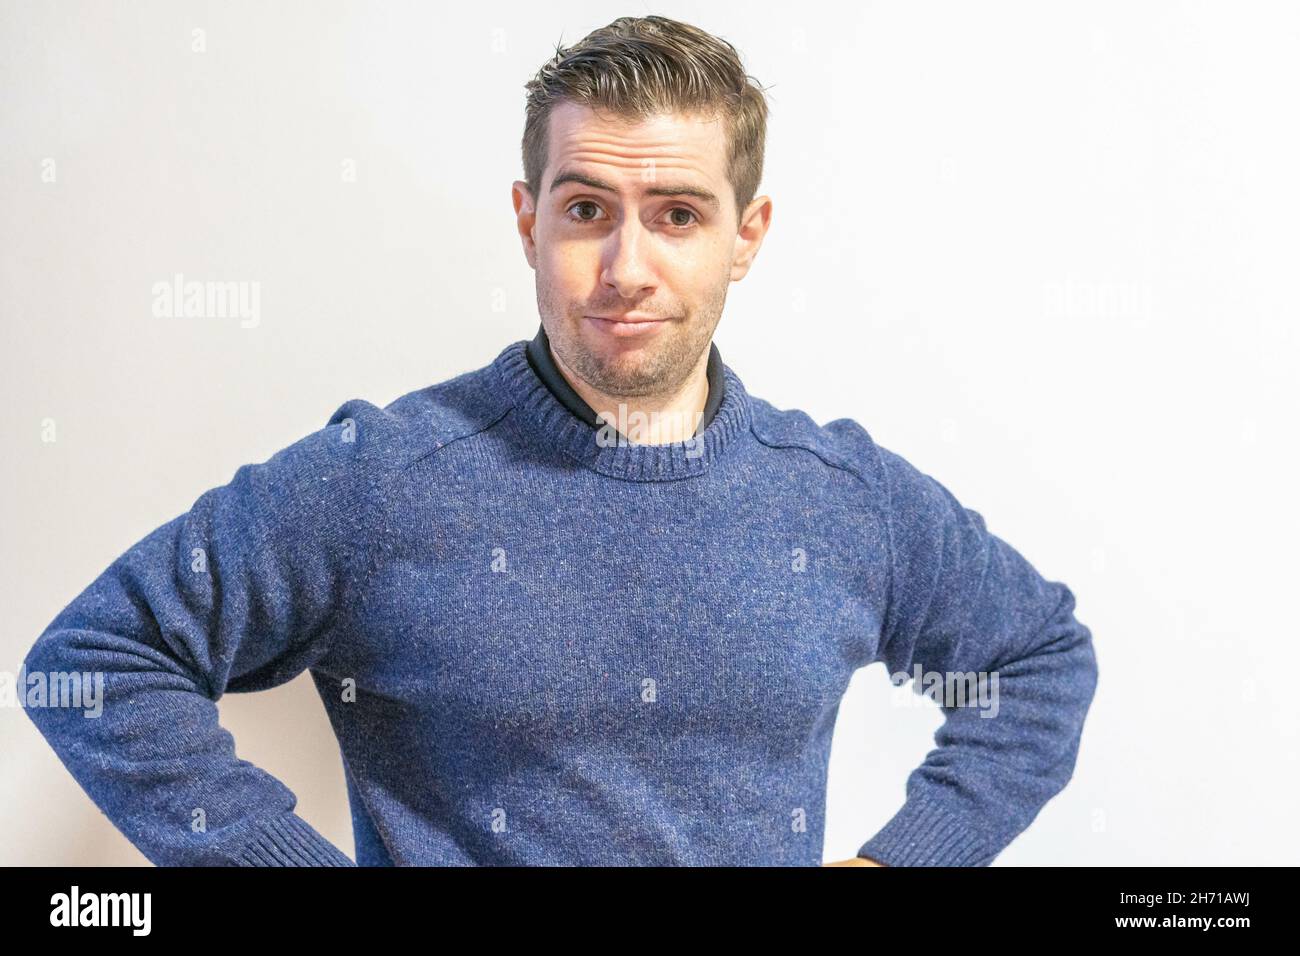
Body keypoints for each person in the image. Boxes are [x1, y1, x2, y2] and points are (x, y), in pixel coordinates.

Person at [20, 14, 1098, 866]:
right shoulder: (385, 482)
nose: (626, 266)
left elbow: (1037, 657)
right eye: (587, 209)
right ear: (528, 217)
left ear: (746, 236)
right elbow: (96, 660)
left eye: (677, 214)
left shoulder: (839, 498)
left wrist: (904, 859)